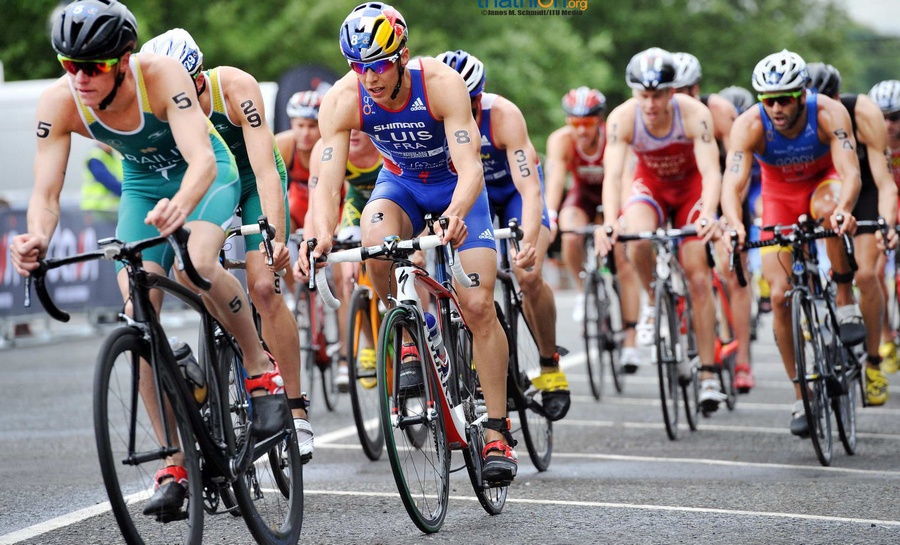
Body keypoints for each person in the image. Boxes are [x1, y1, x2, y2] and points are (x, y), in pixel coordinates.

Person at [10, 0, 288, 517]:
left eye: (92, 67)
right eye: (70, 65)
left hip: (203, 176)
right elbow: (46, 196)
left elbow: (203, 157)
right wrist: (35, 238)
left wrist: (183, 207)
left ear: (122, 59)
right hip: (142, 187)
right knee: (138, 316)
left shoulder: (161, 77)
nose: (80, 78)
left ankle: (258, 367)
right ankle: (177, 464)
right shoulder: (59, 102)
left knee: (197, 264)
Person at [297, 2, 516, 485]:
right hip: (400, 187)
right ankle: (408, 336)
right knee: (375, 239)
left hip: (456, 186)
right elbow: (326, 179)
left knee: (478, 305)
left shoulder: (439, 84)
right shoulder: (342, 97)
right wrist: (320, 232)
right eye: (358, 66)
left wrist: (456, 215)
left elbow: (471, 165)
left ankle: (498, 430)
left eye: (377, 65)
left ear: (402, 56)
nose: (369, 77)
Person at [140, 28, 314, 458]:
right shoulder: (157, 101)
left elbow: (266, 168)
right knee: (198, 273)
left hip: (253, 181)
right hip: (208, 185)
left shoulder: (234, 86)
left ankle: (294, 408)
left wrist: (272, 233)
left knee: (262, 286)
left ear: (199, 77)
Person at [720, 50, 861, 436]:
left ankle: (845, 300)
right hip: (779, 198)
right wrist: (734, 225)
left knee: (831, 212)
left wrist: (846, 209)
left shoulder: (830, 112)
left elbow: (850, 172)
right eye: (768, 100)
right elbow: (731, 187)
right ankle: (801, 394)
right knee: (780, 295)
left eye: (784, 99)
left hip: (824, 186)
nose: (776, 108)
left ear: (802, 95)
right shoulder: (750, 124)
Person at [437, 48, 570, 420]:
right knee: (463, 278)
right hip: (470, 197)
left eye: (473, 99)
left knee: (528, 274)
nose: (468, 107)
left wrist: (528, 240)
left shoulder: (504, 116)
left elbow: (530, 190)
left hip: (512, 193)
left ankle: (549, 365)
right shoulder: (434, 117)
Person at [595, 47, 726, 413]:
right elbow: (615, 174)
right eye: (644, 95)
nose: (651, 104)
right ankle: (653, 302)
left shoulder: (695, 115)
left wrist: (710, 213)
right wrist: (610, 221)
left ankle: (709, 377)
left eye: (658, 95)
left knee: (699, 279)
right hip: (650, 186)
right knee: (635, 238)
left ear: (672, 92)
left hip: (691, 191)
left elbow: (712, 171)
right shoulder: (623, 119)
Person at [807, 63, 896, 405]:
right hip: (822, 189)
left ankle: (873, 362)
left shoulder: (862, 112)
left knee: (868, 273)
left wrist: (887, 223)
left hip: (866, 190)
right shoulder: (796, 120)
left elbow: (885, 182)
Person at [672, 51, 755, 392]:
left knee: (734, 272)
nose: (678, 98)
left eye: (686, 90)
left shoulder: (718, 111)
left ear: (698, 88)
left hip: (722, 194)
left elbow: (738, 165)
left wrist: (727, 215)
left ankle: (744, 362)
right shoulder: (660, 115)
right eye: (672, 90)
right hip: (685, 196)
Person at [300, 129, 382, 392]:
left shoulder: (384, 134)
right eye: (348, 127)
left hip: (396, 201)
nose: (355, 133)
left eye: (359, 125)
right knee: (350, 278)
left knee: (410, 263)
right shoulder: (326, 146)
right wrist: (309, 247)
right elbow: (316, 204)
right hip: (357, 205)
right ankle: (369, 342)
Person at [869, 79, 900, 374]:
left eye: (895, 117)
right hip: (885, 210)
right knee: (876, 272)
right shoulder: (872, 144)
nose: (888, 124)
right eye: (882, 117)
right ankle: (887, 336)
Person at [80, 141, 122, 214]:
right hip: (96, 208)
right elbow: (108, 181)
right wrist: (130, 193)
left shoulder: (113, 156)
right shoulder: (95, 157)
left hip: (110, 208)